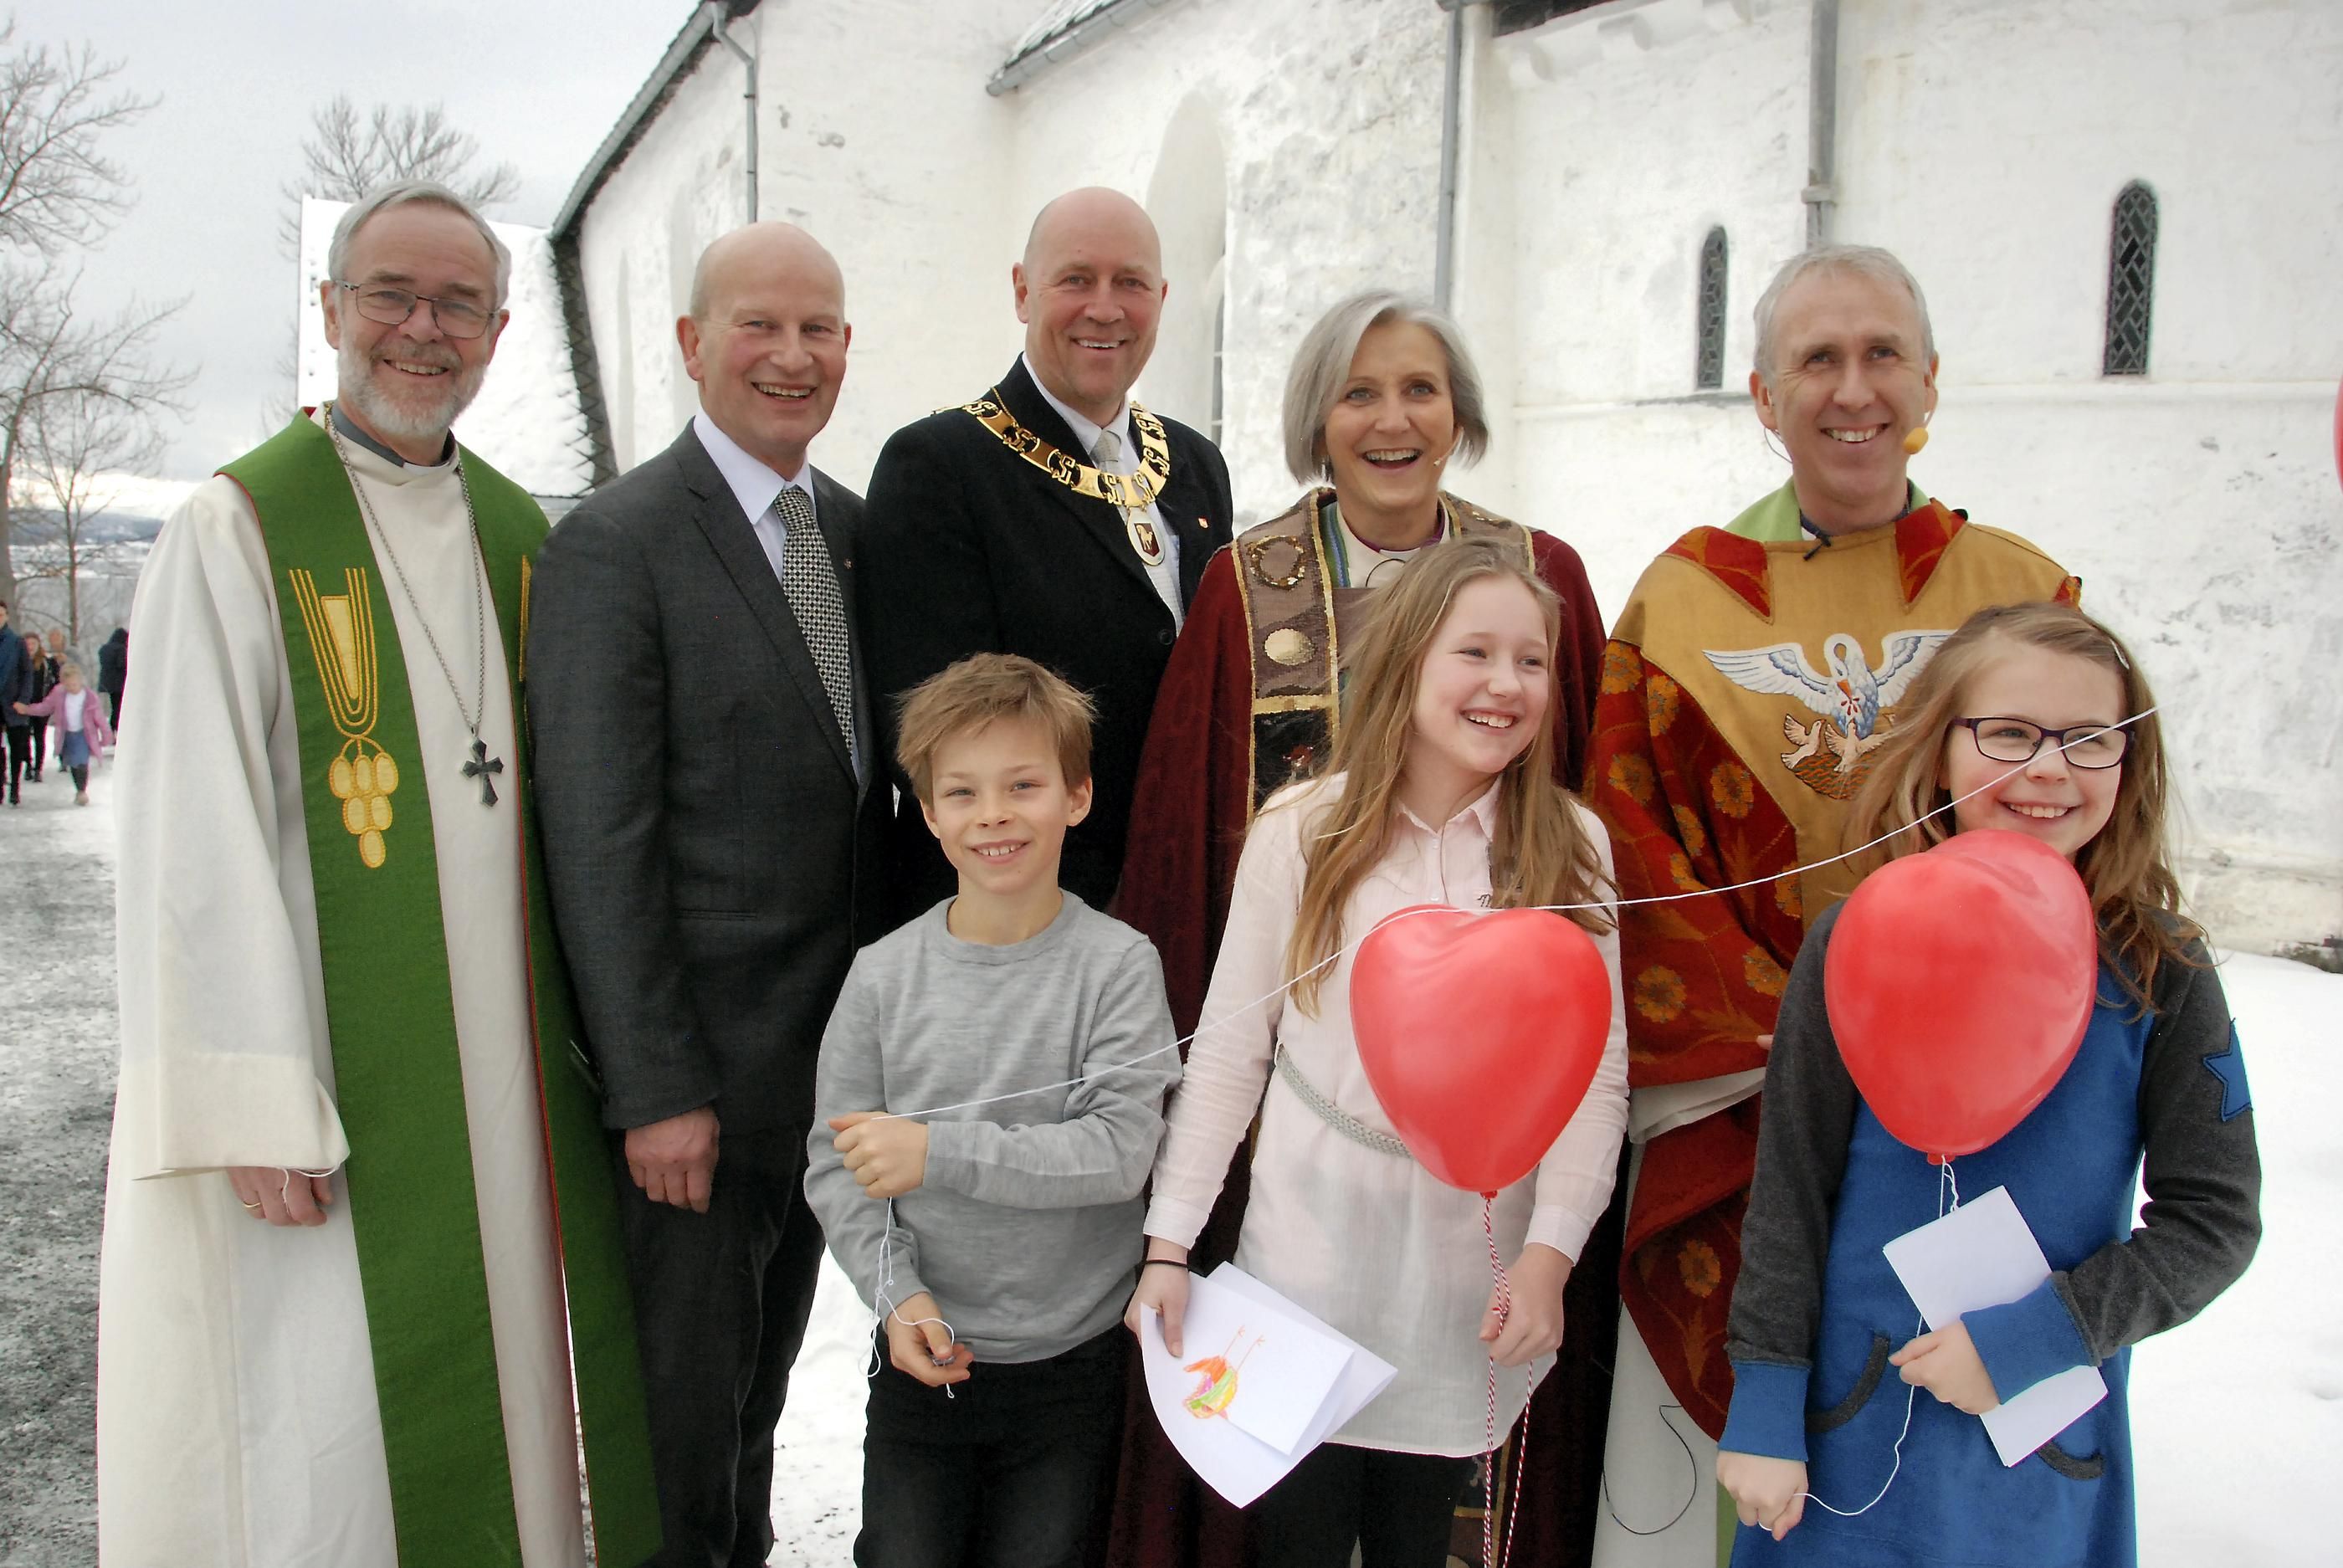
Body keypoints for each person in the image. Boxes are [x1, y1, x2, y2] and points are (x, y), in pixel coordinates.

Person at [96, 180, 657, 1568]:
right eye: (391, 295)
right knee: (328, 1421)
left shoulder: (523, 534)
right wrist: (248, 1095)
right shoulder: (238, 528)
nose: (422, 328)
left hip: (503, 1084)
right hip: (321, 1082)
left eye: (458, 303)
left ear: (500, 330)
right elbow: (186, 830)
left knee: (504, 1397)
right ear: (332, 308)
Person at [1584, 244, 2080, 1568]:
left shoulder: (2022, 591)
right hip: (1753, 1097)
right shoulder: (1684, 601)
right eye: (1817, 359)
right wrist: (1799, 1050)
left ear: (1931, 382)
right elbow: (1632, 845)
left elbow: (2090, 833)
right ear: (1763, 394)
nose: (1853, 390)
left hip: (1998, 1098)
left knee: (1963, 1434)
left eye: (1881, 355)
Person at [1110, 290, 1616, 1567]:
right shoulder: (1259, 627)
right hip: (1306, 1225)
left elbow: (1589, 1065)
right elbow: (1229, 1019)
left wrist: (1552, 1252)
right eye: (1361, 392)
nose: (1393, 419)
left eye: (1421, 388)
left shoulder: (1541, 590)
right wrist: (1173, 1236)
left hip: (1472, 1256)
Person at [1715, 601, 2259, 1565]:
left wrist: (2036, 1338)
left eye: (2088, 737)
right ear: (1939, 751)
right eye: (2008, 731)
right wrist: (1764, 1396)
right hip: (1841, 1441)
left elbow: (2213, 1219)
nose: (2047, 766)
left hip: (2036, 1456)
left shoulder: (2161, 968)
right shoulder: (1853, 939)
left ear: (2129, 760)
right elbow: (1791, 1185)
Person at [527, 220, 888, 1568]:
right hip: (697, 1100)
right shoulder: (615, 545)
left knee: (755, 1415)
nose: (792, 356)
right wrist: (656, 1088)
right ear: (692, 342)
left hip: (823, 1084)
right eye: (760, 325)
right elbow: (598, 840)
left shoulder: (853, 530)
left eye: (819, 329)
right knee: (678, 1450)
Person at [805, 653, 1179, 1568]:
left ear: (1077, 796)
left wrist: (937, 1150)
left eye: (1023, 785)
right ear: (929, 813)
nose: (994, 814)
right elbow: (837, 1164)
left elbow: (1118, 1153)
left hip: (1073, 1366)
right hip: (923, 1352)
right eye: (962, 792)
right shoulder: (881, 976)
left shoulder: (1120, 965)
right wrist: (898, 1298)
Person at [859, 187, 1234, 923]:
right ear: (1023, 292)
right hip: (1021, 913)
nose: (1105, 308)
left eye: (1131, 283)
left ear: (1161, 299)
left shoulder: (1196, 462)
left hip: (1184, 892)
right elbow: (935, 735)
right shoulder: (940, 466)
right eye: (1076, 279)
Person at [13, 659, 111, 802]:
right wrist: (27, 709)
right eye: (68, 685)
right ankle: (79, 789)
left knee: (81, 760)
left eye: (75, 685)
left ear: (80, 681)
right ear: (63, 683)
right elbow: (46, 707)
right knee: (73, 762)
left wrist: (106, 735)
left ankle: (81, 791)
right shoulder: (59, 694)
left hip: (84, 733)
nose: (72, 688)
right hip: (67, 734)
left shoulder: (90, 697)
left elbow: (100, 718)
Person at [98, 624, 127, 730]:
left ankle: (112, 727)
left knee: (113, 706)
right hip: (118, 683)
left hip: (106, 683)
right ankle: (116, 727)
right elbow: (121, 664)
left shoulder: (104, 648)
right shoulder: (121, 649)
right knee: (118, 707)